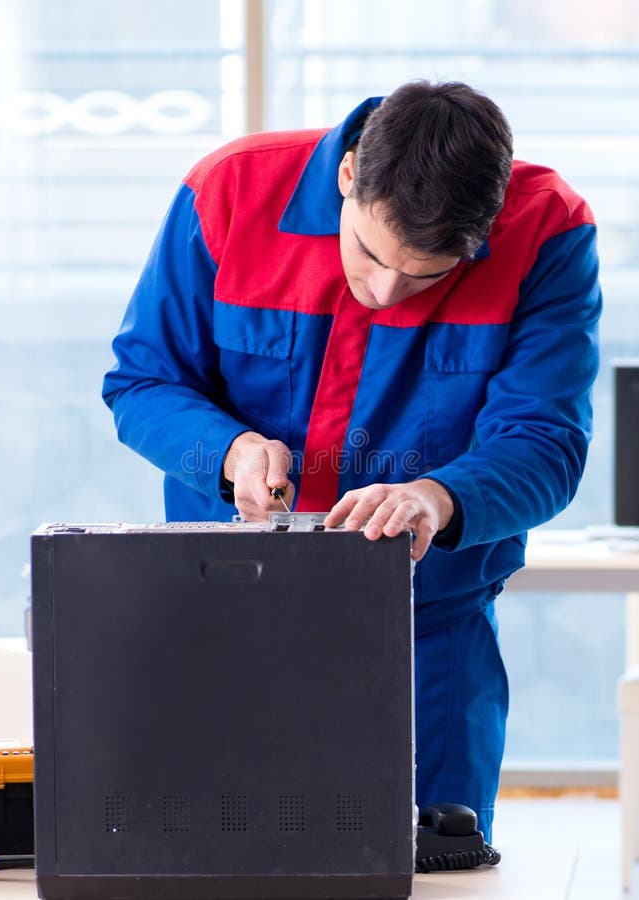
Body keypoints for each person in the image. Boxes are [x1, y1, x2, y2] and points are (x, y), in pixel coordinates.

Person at [102, 80, 602, 845]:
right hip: (227, 622)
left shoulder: (546, 230)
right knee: (218, 866)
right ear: (346, 177)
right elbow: (143, 381)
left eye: (428, 275)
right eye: (369, 253)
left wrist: (437, 498)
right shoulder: (229, 192)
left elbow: (545, 441)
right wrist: (228, 450)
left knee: (433, 877)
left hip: (427, 637)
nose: (386, 291)